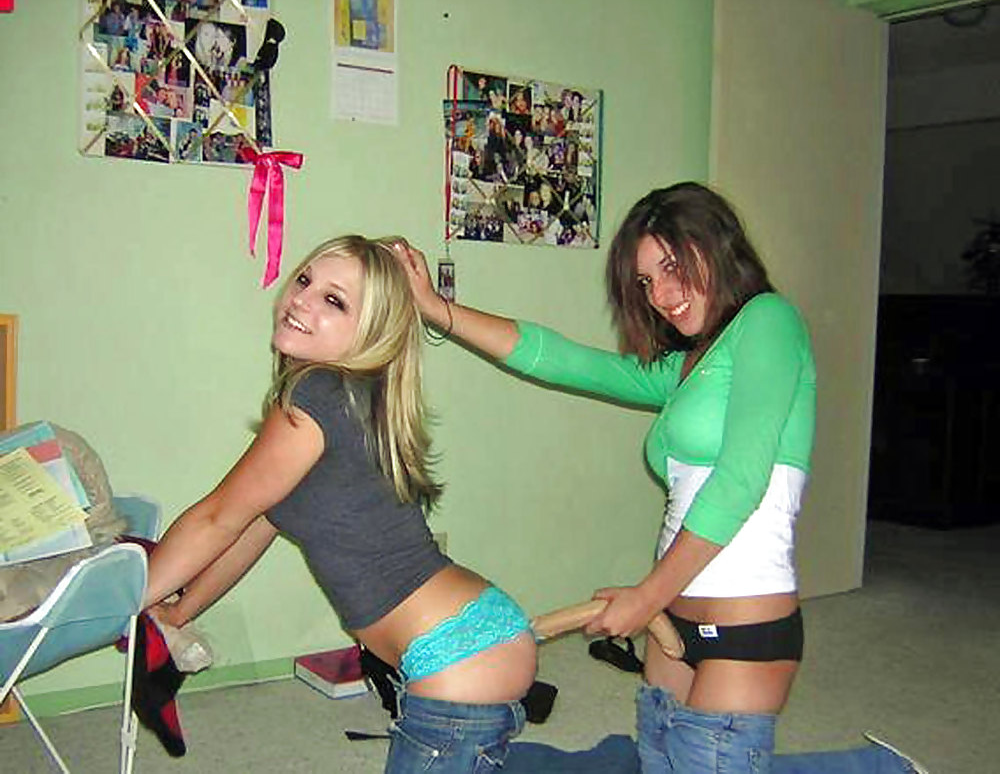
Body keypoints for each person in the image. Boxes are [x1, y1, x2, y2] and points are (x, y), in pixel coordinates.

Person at [392, 182, 929, 774]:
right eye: (646, 282)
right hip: (673, 626)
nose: (661, 296)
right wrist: (436, 309)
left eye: (672, 268)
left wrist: (646, 595)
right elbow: (567, 361)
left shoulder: (769, 322)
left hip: (744, 629)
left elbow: (740, 480)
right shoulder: (690, 366)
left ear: (718, 246)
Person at [143, 236, 538, 773]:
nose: (302, 300)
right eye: (305, 280)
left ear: (371, 332)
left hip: (455, 662)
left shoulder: (316, 397)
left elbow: (218, 517)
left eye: (335, 301)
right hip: (471, 640)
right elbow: (255, 524)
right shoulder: (349, 395)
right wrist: (177, 610)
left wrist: (123, 596)